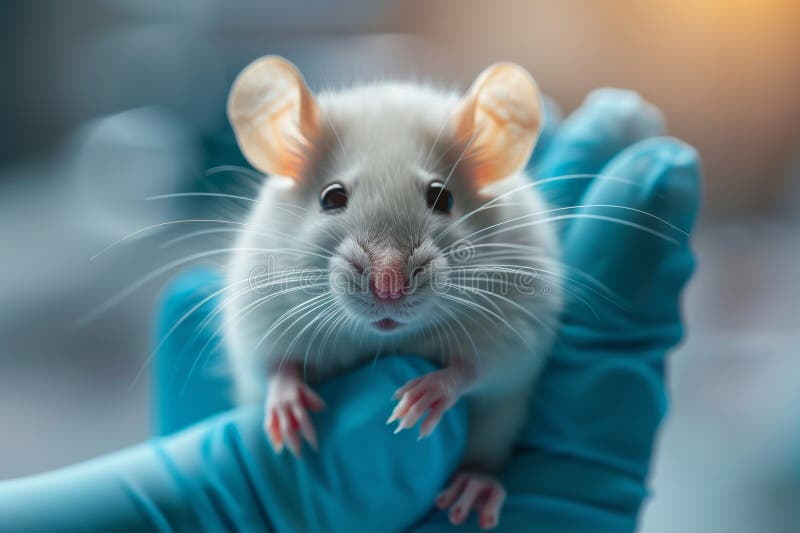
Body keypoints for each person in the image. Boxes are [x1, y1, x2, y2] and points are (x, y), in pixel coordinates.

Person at [0, 89, 700, 533]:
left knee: (509, 430)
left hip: (478, 454)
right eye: (335, 199)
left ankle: (482, 470)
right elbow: (256, 332)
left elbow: (522, 349)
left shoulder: (515, 228)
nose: (389, 284)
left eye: (438, 198)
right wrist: (279, 377)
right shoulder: (269, 238)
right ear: (292, 163)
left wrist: (460, 376)